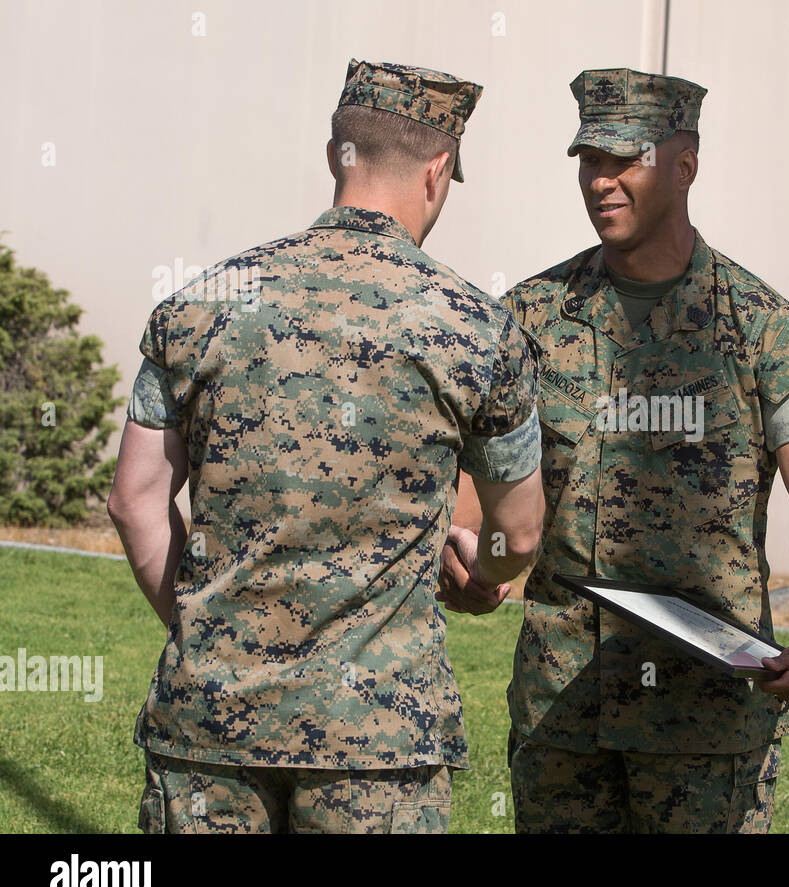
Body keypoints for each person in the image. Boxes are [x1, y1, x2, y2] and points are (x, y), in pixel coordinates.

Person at [108, 59, 545, 834]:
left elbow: (135, 500)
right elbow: (522, 532)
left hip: (208, 729)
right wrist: (485, 574)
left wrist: (199, 630)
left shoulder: (196, 304)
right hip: (377, 745)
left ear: (336, 155)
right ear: (438, 170)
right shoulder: (477, 330)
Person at [439, 67, 789, 833]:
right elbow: (482, 483)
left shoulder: (768, 332)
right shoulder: (529, 320)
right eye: (588, 161)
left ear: (685, 165)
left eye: (622, 159)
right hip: (562, 707)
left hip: (704, 723)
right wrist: (470, 557)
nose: (600, 181)